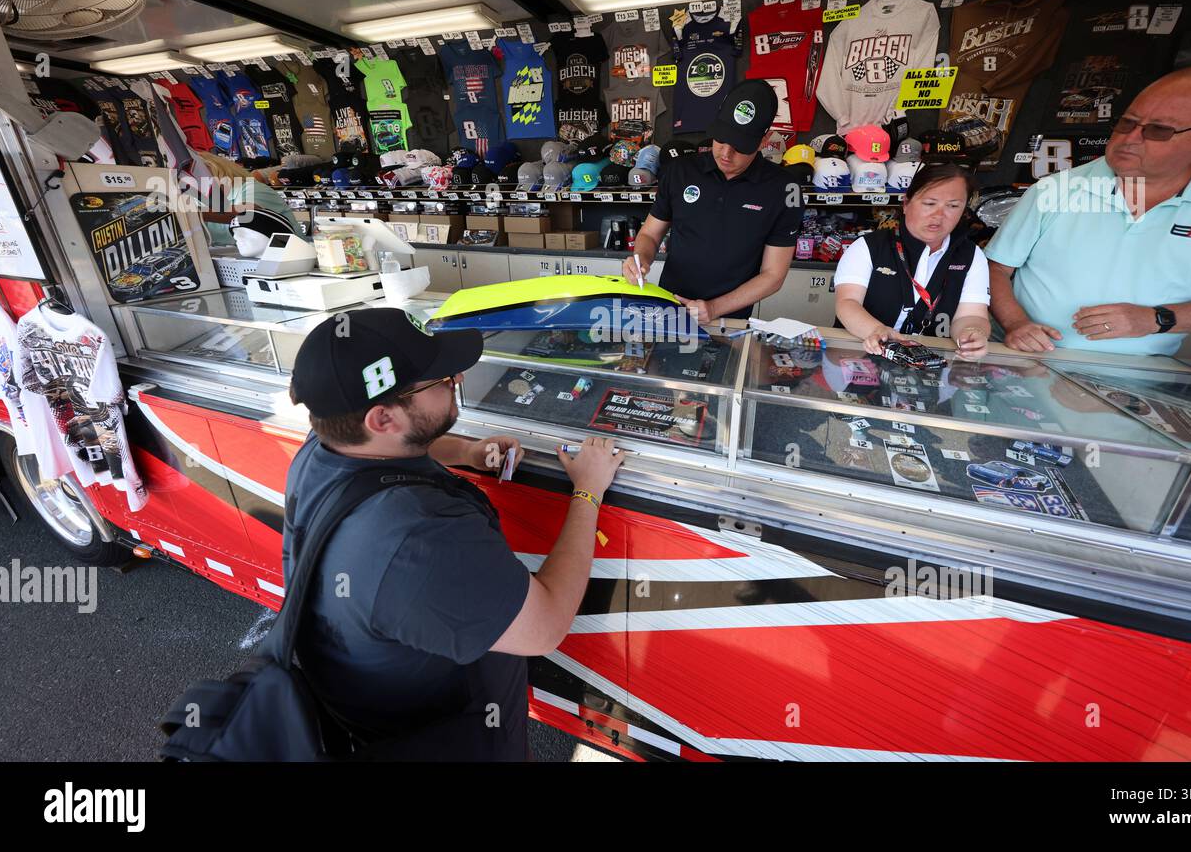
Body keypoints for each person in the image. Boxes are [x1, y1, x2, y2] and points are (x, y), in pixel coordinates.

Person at [284, 308, 625, 760]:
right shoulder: (417, 539)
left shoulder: (326, 444)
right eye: (438, 380)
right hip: (452, 738)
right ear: (383, 419)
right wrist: (587, 491)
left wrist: (465, 450)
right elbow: (544, 627)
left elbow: (398, 445)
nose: (457, 377)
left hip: (371, 706)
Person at [986, 63, 1191, 355]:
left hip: (1142, 374)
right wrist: (1016, 324)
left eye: (1159, 130)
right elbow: (996, 268)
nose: (1130, 139)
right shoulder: (1054, 189)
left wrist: (1157, 319)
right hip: (1029, 362)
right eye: (1127, 123)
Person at [623, 79, 802, 323]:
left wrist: (714, 308)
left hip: (729, 318)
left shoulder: (783, 189)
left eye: (740, 146)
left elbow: (773, 275)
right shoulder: (680, 172)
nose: (726, 154)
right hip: (669, 305)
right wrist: (641, 258)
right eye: (722, 139)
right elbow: (650, 235)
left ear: (763, 141)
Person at [834, 163, 990, 360]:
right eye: (929, 203)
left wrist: (973, 333)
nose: (939, 215)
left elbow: (972, 315)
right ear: (906, 203)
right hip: (863, 357)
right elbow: (847, 303)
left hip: (930, 362)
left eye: (952, 206)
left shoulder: (971, 255)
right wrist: (877, 331)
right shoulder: (869, 247)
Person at [192, 150, 305, 248]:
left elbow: (249, 214)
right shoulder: (203, 199)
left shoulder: (252, 188)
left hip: (287, 256)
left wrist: (193, 214)